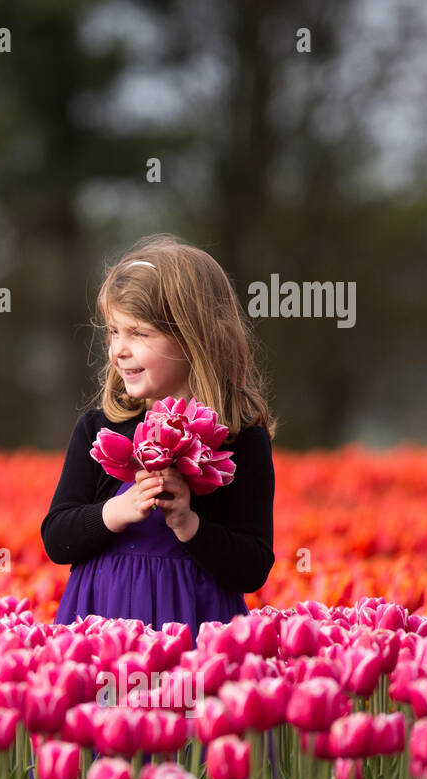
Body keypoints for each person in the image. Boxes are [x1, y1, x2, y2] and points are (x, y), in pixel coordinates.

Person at [42, 234, 278, 637]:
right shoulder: (101, 430)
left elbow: (252, 567)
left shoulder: (240, 442)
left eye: (139, 333)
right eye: (113, 332)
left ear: (193, 337)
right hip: (101, 625)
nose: (118, 350)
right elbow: (57, 538)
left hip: (195, 627)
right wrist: (115, 511)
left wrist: (189, 525)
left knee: (183, 701)